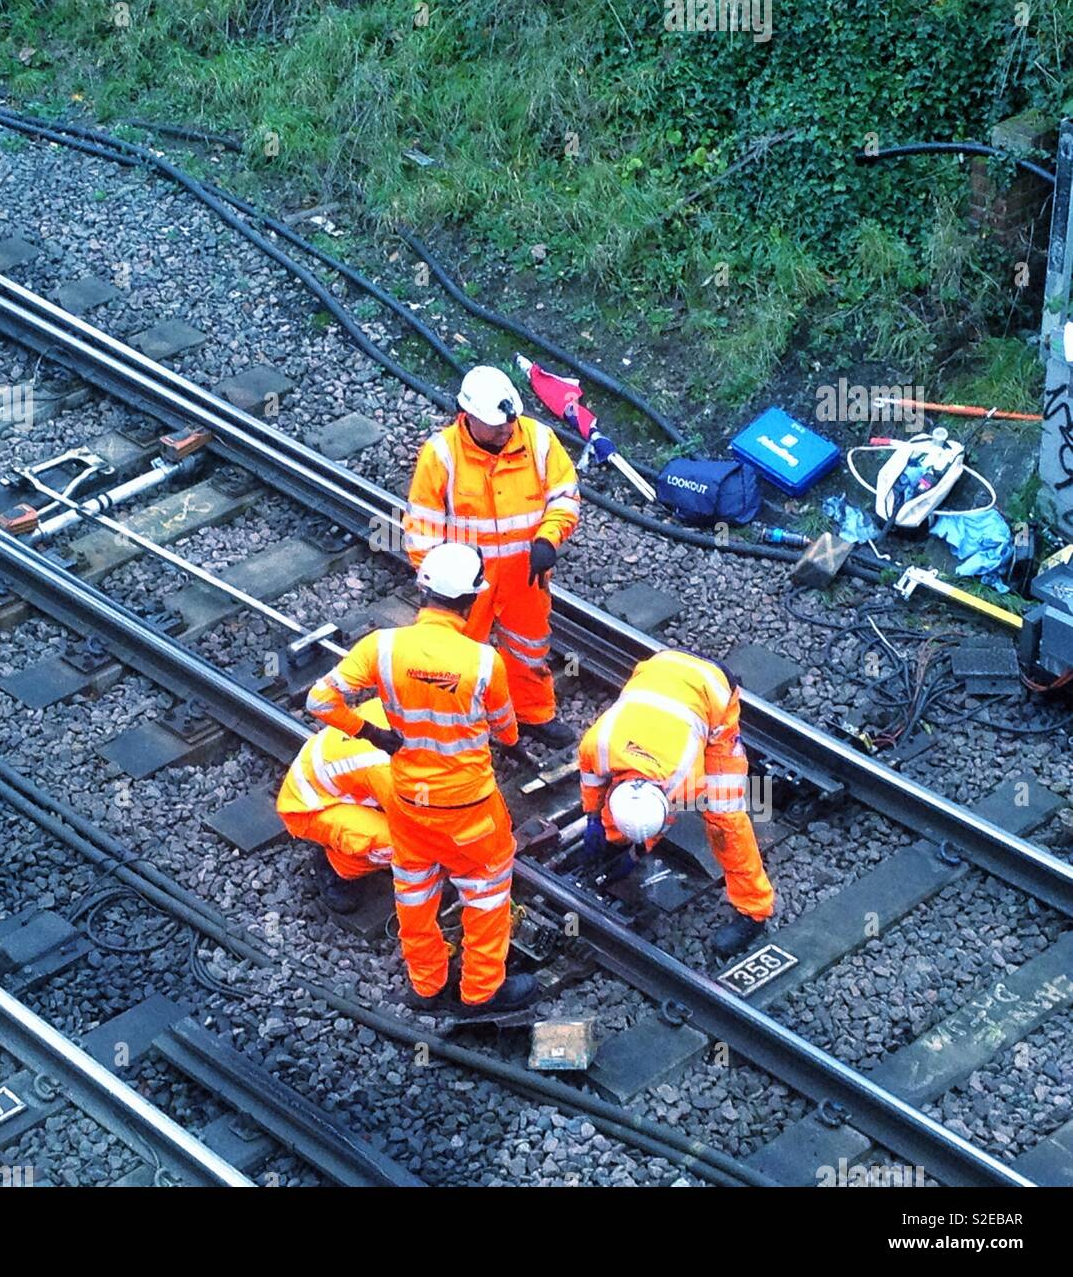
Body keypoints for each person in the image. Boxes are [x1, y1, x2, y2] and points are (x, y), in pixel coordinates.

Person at [305, 541, 540, 1014]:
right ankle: (481, 992)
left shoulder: (382, 647)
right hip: (471, 809)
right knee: (488, 896)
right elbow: (506, 730)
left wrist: (370, 732)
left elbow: (319, 701)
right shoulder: (483, 663)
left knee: (413, 895)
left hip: (410, 803)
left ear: (423, 592)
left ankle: (426, 986)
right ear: (473, 600)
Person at [402, 364, 580, 747]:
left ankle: (532, 714)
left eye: (509, 422)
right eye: (496, 425)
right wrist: (436, 583)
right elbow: (422, 527)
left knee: (528, 647)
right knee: (455, 657)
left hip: (524, 575)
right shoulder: (442, 455)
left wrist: (548, 539)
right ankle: (457, 723)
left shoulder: (539, 441)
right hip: (464, 585)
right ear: (469, 417)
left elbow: (564, 497)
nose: (506, 430)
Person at [577, 647, 776, 958]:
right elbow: (592, 780)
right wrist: (593, 817)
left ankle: (755, 910)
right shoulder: (597, 744)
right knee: (623, 818)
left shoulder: (684, 777)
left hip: (712, 691)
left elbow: (661, 819)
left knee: (725, 820)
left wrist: (640, 848)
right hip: (660, 669)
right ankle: (615, 845)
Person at [275, 699, 395, 914]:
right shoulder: (387, 769)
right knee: (399, 845)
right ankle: (334, 866)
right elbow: (422, 825)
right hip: (311, 807)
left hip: (348, 787)